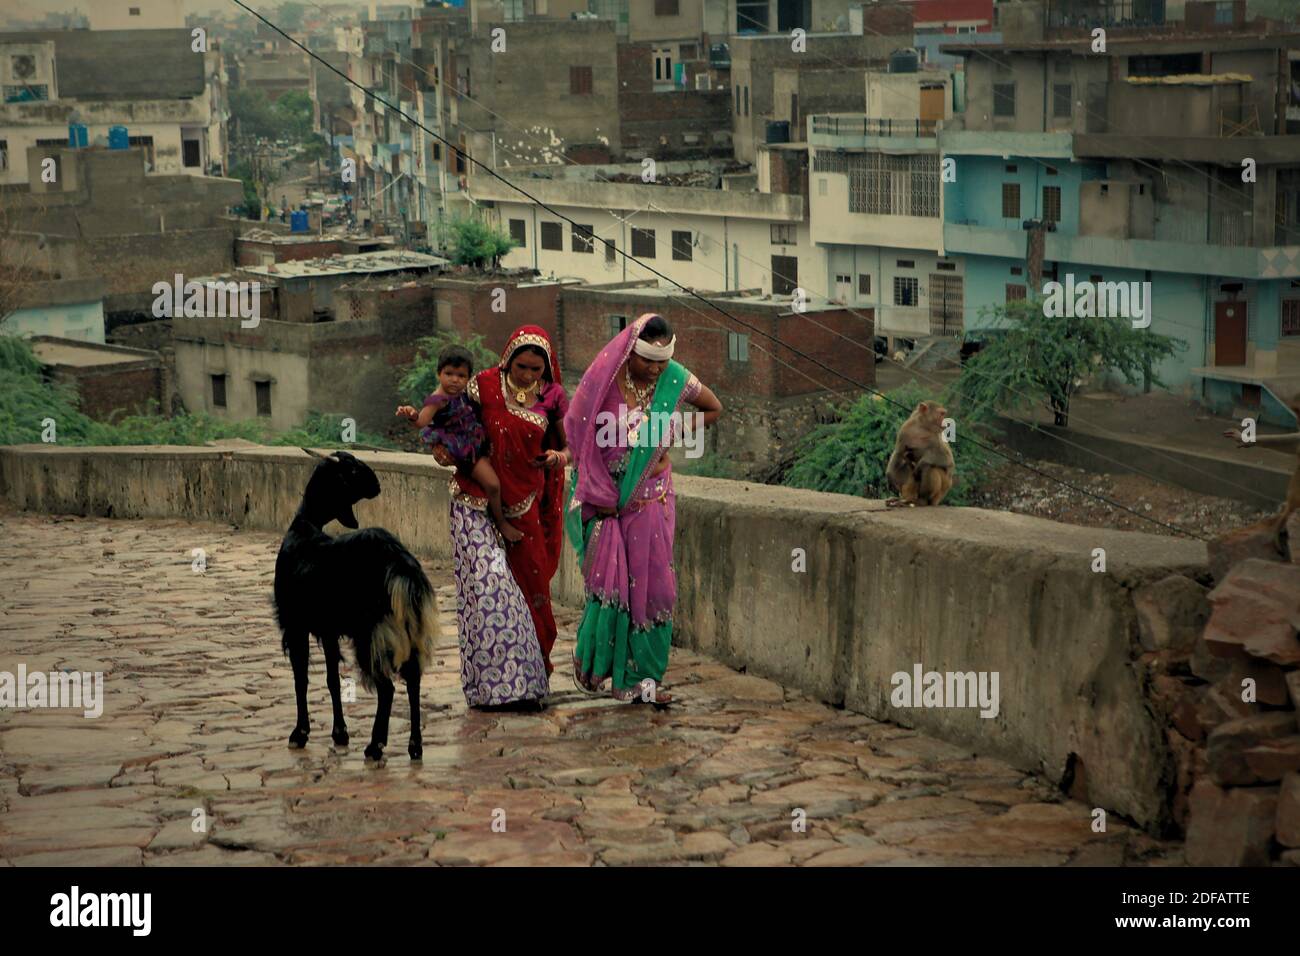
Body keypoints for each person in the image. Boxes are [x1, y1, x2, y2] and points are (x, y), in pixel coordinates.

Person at [563, 314, 722, 705]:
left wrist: (674, 429)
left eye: (661, 361)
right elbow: (579, 435)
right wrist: (596, 490)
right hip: (608, 505)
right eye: (647, 360)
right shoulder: (603, 380)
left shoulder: (674, 380)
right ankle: (604, 671)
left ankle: (644, 679)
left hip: (653, 502)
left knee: (654, 592)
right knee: (616, 588)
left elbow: (714, 407)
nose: (654, 369)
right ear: (630, 348)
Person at [432, 325, 570, 684]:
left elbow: (569, 447)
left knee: (533, 589)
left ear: (546, 370)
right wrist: (440, 448)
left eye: (534, 370)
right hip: (480, 505)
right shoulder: (484, 385)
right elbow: (452, 417)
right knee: (489, 596)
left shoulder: (552, 397)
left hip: (527, 506)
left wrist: (558, 456)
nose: (525, 375)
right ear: (507, 360)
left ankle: (533, 674)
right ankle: (493, 683)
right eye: (520, 366)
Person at [396, 345, 521, 543]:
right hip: (464, 452)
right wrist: (411, 414)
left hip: (478, 442)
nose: (454, 380)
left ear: (468, 377)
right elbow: (421, 421)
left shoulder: (466, 393)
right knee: (493, 484)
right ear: (439, 374)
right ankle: (501, 523)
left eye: (461, 375)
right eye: (449, 374)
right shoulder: (438, 399)